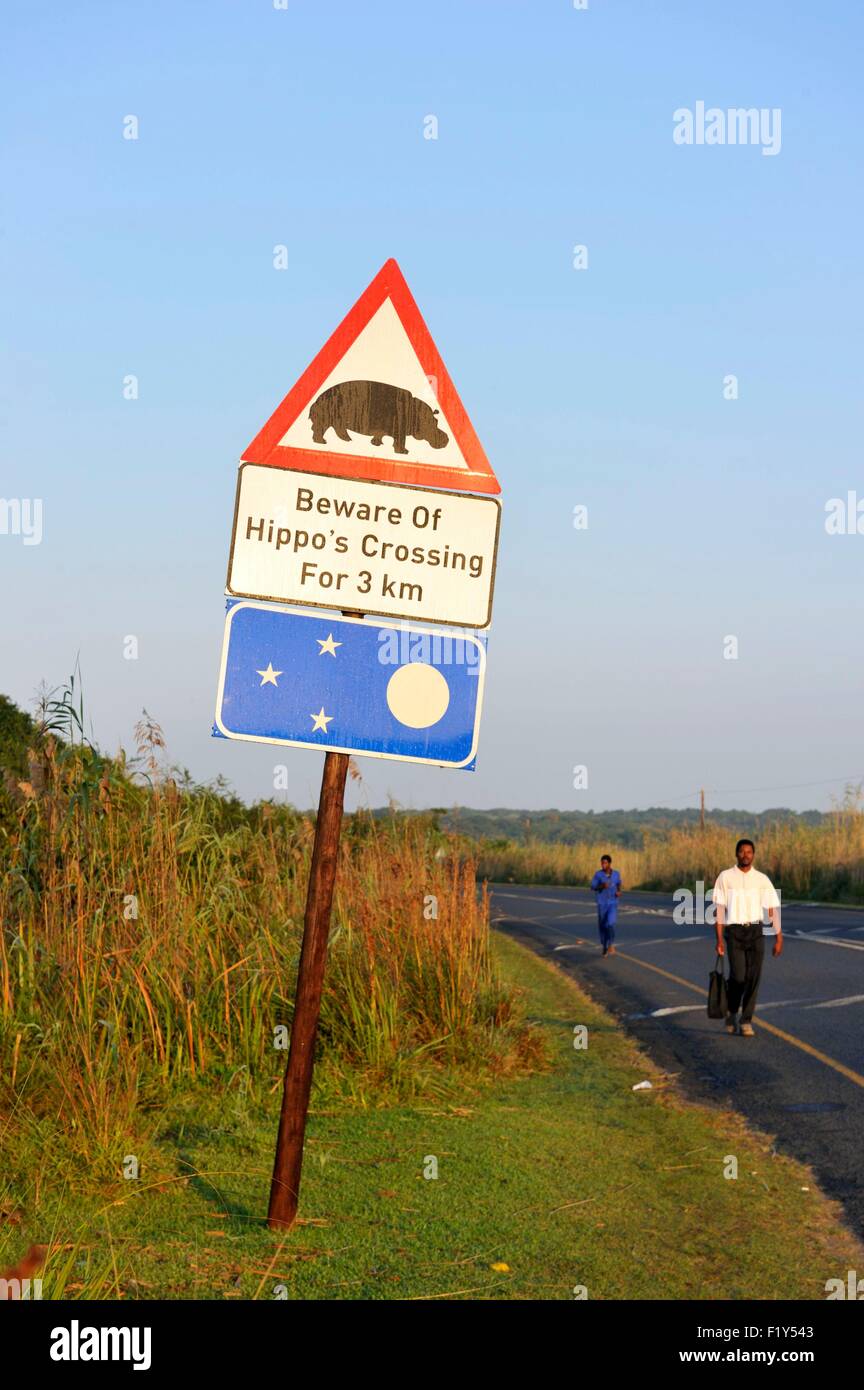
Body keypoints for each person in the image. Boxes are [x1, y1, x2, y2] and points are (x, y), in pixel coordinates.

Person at [712, 838, 782, 1037]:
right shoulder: (725, 877)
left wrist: (779, 937)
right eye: (742, 851)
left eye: (749, 852)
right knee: (738, 977)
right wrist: (718, 939)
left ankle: (746, 1020)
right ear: (736, 854)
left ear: (753, 855)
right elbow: (719, 910)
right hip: (734, 932)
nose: (745, 855)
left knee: (753, 978)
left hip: (756, 932)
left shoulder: (761, 879)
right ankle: (733, 1011)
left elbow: (771, 910)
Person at [590, 854, 622, 956]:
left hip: (613, 903)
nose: (603, 865)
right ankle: (604, 945)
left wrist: (618, 891)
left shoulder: (616, 874)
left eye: (605, 863)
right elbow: (593, 887)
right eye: (602, 863)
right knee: (603, 925)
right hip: (602, 903)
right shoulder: (598, 875)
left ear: (609, 863)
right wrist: (602, 885)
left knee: (610, 923)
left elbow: (619, 883)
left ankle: (611, 944)